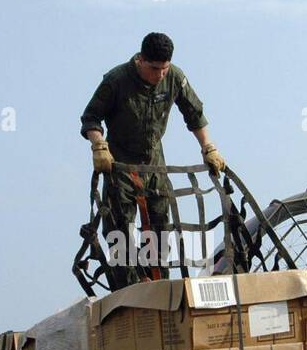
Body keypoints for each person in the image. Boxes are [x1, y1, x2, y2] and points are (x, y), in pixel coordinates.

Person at [79, 32, 225, 286]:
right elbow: (91, 118)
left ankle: (157, 288)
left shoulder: (175, 78)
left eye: (164, 69)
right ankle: (130, 291)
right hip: (120, 166)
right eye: (155, 68)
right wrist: (99, 145)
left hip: (154, 166)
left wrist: (208, 148)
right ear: (141, 61)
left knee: (158, 232)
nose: (160, 75)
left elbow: (194, 114)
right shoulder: (116, 80)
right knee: (119, 232)